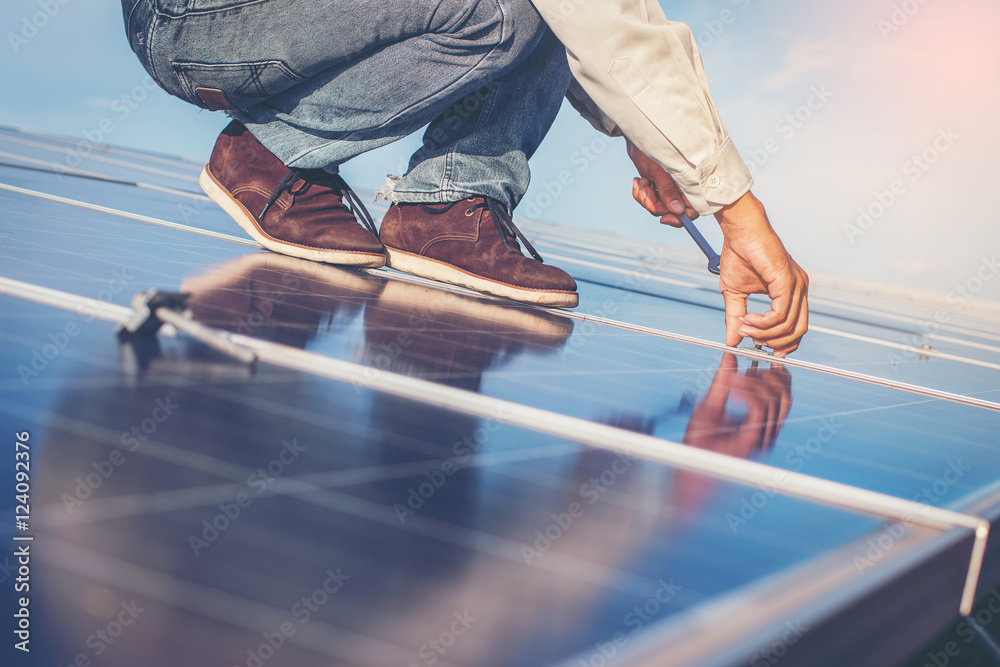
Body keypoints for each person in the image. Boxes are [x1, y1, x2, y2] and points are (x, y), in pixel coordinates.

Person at [120, 0, 809, 356]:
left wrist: (645, 135)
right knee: (509, 9)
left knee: (546, 11)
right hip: (194, 18)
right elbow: (604, 19)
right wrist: (738, 211)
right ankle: (271, 152)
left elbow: (610, 17)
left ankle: (445, 204)